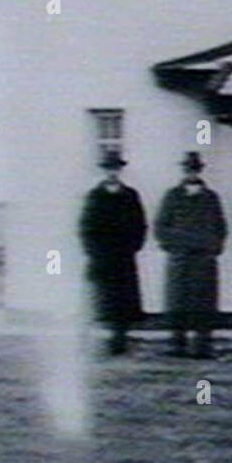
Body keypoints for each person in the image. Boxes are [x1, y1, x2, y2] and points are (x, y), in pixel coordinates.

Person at [155, 151, 227, 359]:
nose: (191, 173)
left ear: (200, 171)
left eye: (194, 169)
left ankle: (202, 344)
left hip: (204, 260)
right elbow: (161, 227)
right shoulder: (172, 196)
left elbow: (220, 227)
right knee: (178, 301)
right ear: (183, 171)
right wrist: (175, 246)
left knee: (203, 303)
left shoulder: (211, 197)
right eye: (188, 169)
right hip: (180, 259)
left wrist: (212, 249)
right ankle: (177, 343)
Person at [78, 151, 147, 356]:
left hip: (124, 257)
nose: (112, 173)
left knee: (122, 302)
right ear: (103, 171)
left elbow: (140, 225)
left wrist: (133, 246)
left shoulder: (130, 195)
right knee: (96, 300)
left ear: (121, 171)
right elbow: (85, 227)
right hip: (101, 258)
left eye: (116, 169)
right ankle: (89, 344)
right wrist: (94, 252)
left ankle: (119, 342)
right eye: (109, 169)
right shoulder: (95, 196)